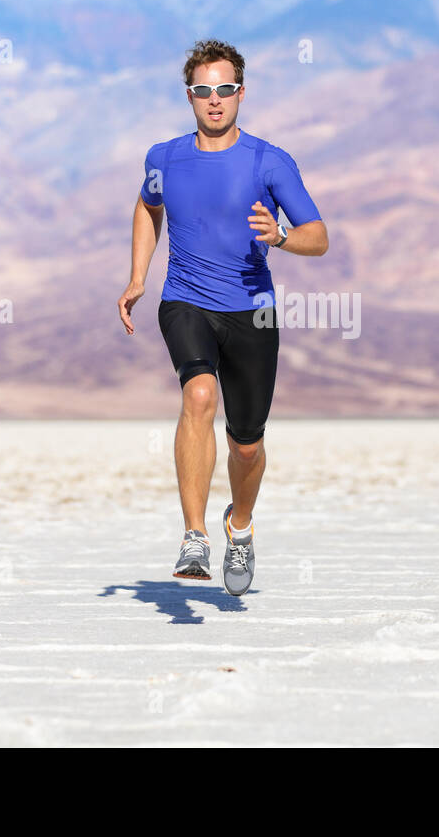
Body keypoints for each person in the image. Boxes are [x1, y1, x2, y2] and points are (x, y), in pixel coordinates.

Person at [117, 38, 328, 596]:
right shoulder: (164, 157)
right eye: (204, 90)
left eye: (226, 89)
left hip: (252, 313)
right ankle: (194, 535)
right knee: (198, 396)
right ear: (189, 96)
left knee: (247, 444)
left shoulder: (269, 161)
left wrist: (280, 237)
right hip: (185, 299)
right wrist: (140, 275)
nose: (216, 100)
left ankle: (239, 525)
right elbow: (148, 204)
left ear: (242, 93)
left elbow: (319, 236)